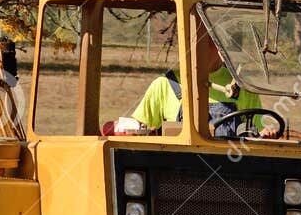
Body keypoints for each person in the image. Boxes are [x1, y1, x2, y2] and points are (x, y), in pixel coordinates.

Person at [104, 27, 263, 138]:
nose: (198, 48)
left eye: (207, 41)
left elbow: (258, 135)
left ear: (220, 45)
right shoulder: (166, 84)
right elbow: (137, 129)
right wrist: (126, 129)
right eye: (195, 41)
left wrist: (264, 134)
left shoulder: (242, 87)